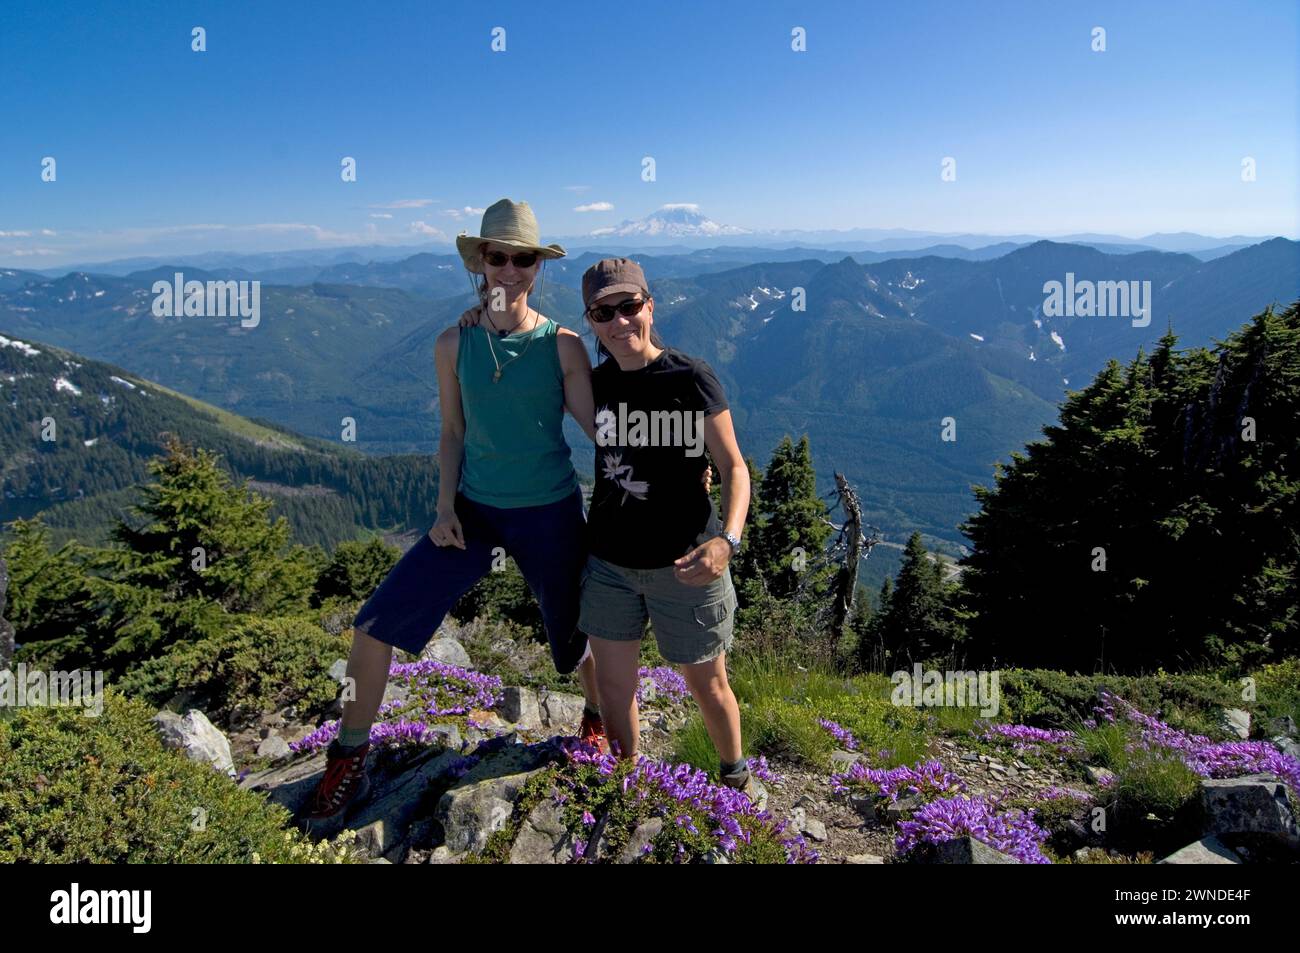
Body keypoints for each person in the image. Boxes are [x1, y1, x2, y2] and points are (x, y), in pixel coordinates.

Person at [303, 199, 606, 825]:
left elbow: (602, 431)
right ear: (481, 263)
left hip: (549, 507)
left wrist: (679, 460)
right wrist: (443, 508)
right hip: (471, 510)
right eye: (499, 257)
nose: (511, 270)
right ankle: (349, 755)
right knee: (375, 623)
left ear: (536, 267)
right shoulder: (453, 343)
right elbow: (451, 432)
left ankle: (598, 725)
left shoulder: (563, 346)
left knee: (576, 635)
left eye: (523, 259)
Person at [577, 258, 765, 806]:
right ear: (591, 321)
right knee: (614, 687)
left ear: (649, 307)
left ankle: (735, 779)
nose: (619, 322)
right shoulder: (595, 383)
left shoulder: (690, 377)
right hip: (609, 563)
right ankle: (625, 784)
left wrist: (726, 542)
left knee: (709, 685)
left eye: (629, 307)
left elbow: (733, 467)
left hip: (688, 564)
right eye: (603, 312)